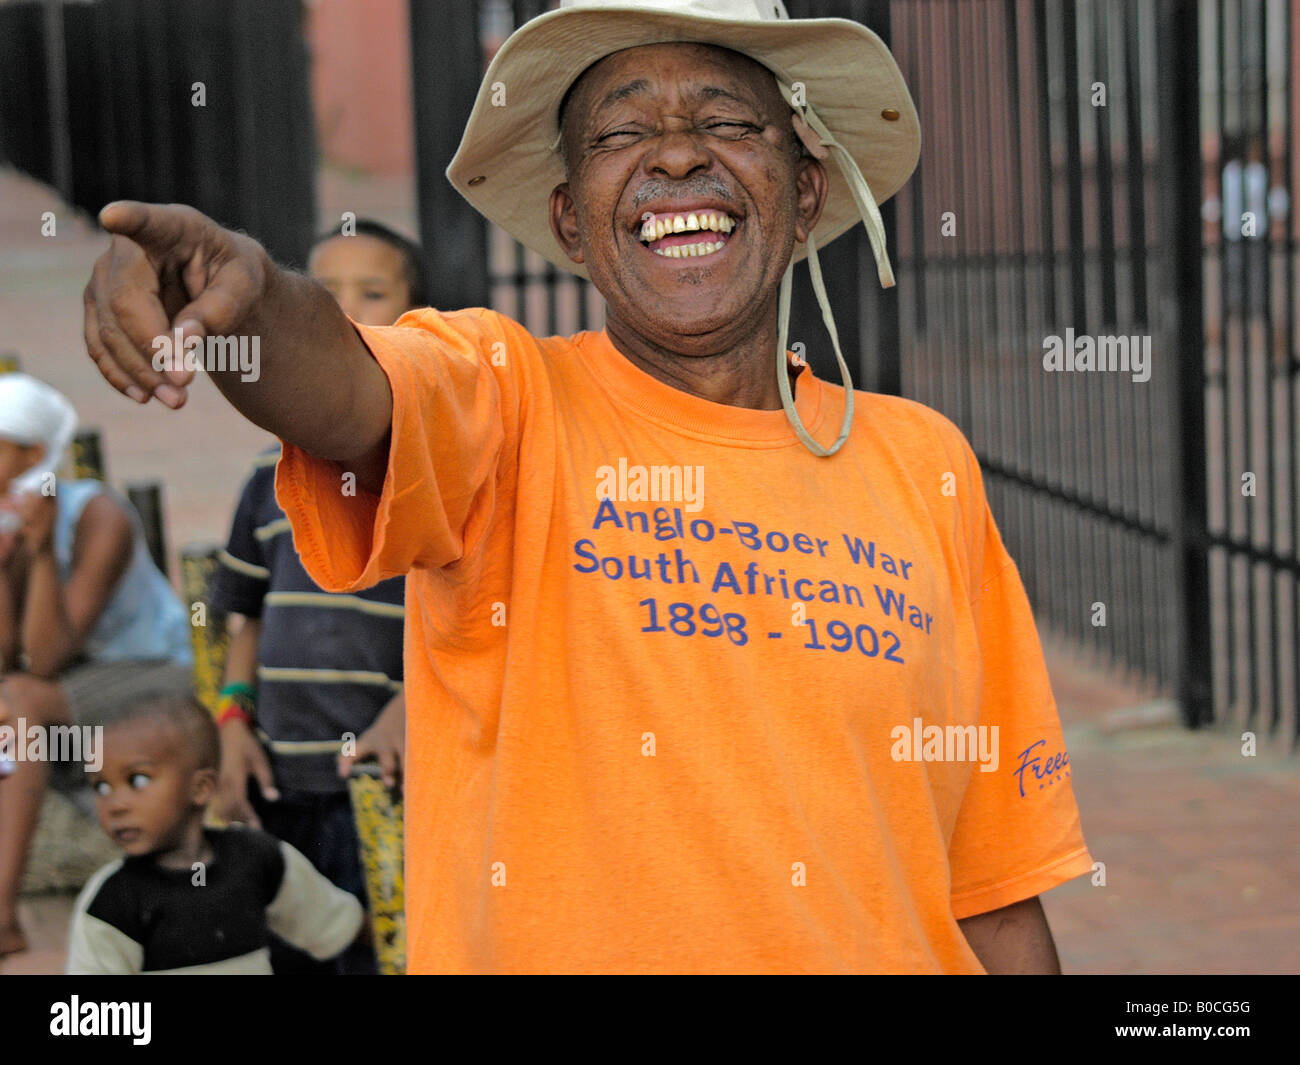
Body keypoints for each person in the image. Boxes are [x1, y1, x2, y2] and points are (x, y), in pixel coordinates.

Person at [82, 0, 1094, 974]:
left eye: (727, 121)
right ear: (570, 223)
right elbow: (344, 389)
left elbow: (994, 874)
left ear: (807, 194)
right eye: (622, 134)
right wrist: (245, 291)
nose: (678, 154)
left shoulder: (926, 463)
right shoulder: (504, 401)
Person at [209, 219, 423, 974]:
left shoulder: (435, 481)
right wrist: (232, 719)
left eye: (374, 292)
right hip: (277, 779)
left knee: (381, 945)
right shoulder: (267, 481)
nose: (347, 311)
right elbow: (245, 616)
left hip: (381, 786)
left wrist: (409, 706)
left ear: (417, 321)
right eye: (325, 295)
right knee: (288, 946)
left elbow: (478, 622)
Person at [0, 374, 192, 959]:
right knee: (17, 698)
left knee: (24, 705)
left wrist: (38, 549)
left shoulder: (98, 514)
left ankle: (2, 911)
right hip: (78, 683)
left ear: (34, 454)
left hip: (155, 670)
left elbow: (50, 655)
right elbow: (8, 654)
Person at [65, 690, 363, 974]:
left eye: (138, 780)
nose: (114, 805)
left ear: (201, 788)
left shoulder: (257, 858)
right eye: (101, 787)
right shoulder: (113, 900)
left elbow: (331, 923)